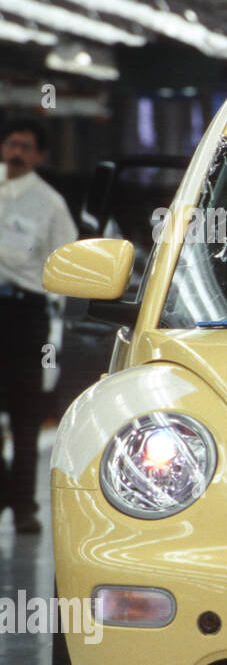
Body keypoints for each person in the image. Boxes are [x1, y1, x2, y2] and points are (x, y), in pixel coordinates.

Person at [0, 119, 78, 534]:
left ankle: (24, 507)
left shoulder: (49, 204)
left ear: (40, 156)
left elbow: (65, 268)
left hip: (24, 316)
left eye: (26, 147)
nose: (17, 152)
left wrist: (60, 335)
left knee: (25, 417)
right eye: (12, 143)